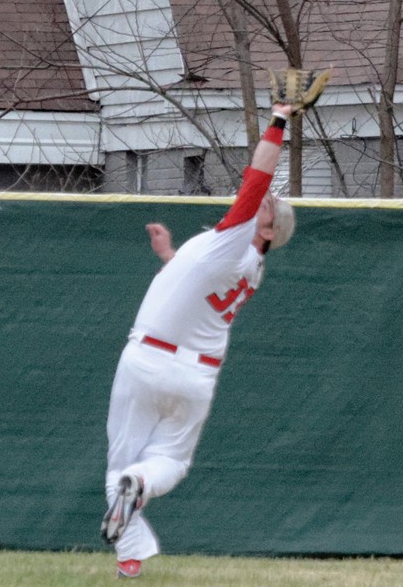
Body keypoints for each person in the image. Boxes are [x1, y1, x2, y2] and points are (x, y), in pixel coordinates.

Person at [100, 101, 298, 578]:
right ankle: (132, 549)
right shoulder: (247, 266)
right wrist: (169, 255)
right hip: (195, 377)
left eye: (267, 209)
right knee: (169, 462)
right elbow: (194, 289)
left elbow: (255, 177)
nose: (260, 204)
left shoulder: (235, 240)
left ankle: (131, 508)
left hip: (146, 361)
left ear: (267, 231)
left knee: (119, 467)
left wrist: (278, 120)